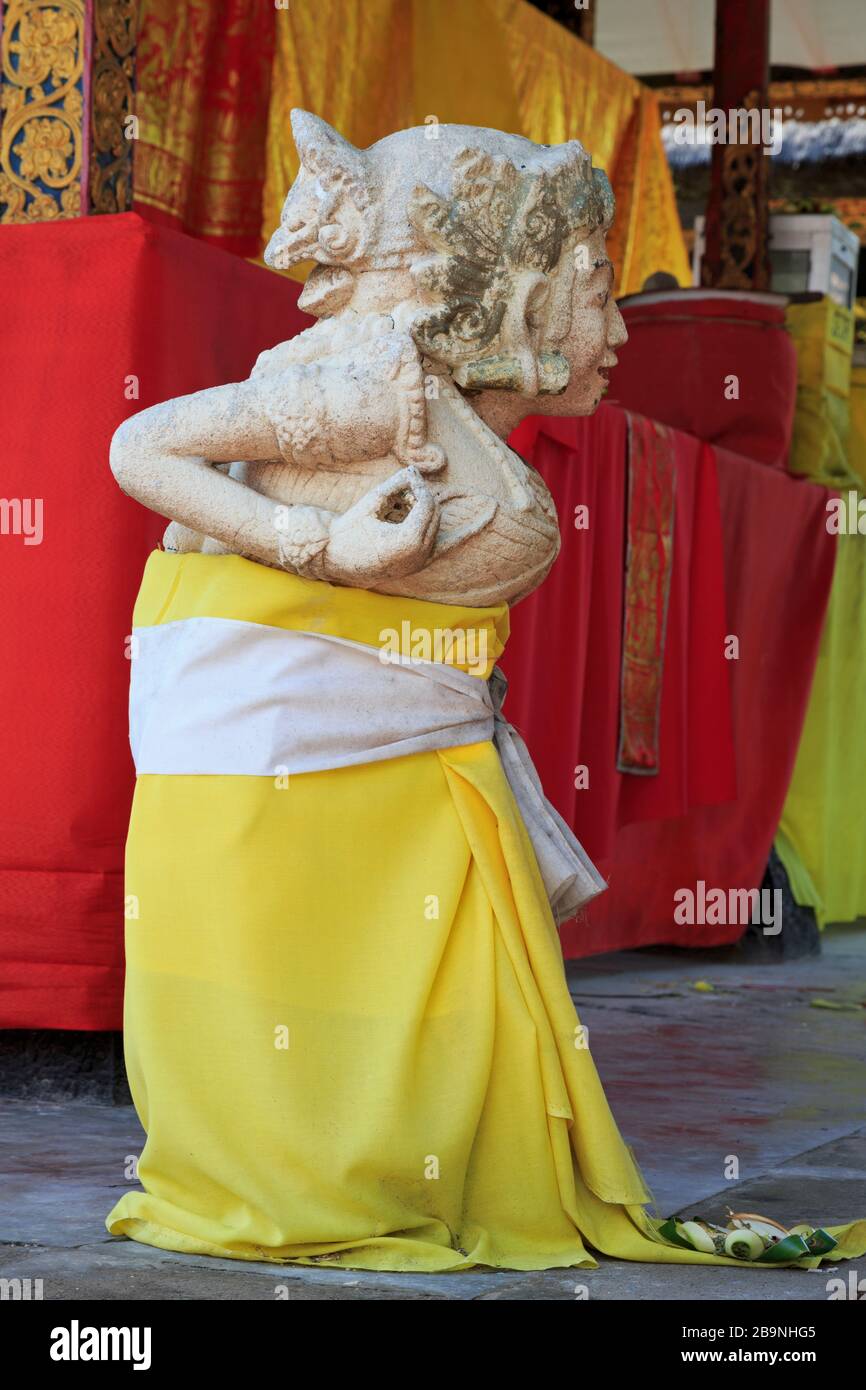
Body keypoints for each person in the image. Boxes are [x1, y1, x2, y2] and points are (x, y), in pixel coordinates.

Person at [104, 112, 865, 1273]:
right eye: (589, 291)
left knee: (381, 980)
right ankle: (300, 1159)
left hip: (366, 764)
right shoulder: (374, 390)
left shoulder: (461, 432)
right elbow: (141, 444)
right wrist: (318, 545)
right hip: (272, 762)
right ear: (507, 290)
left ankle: (356, 1152)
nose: (614, 332)